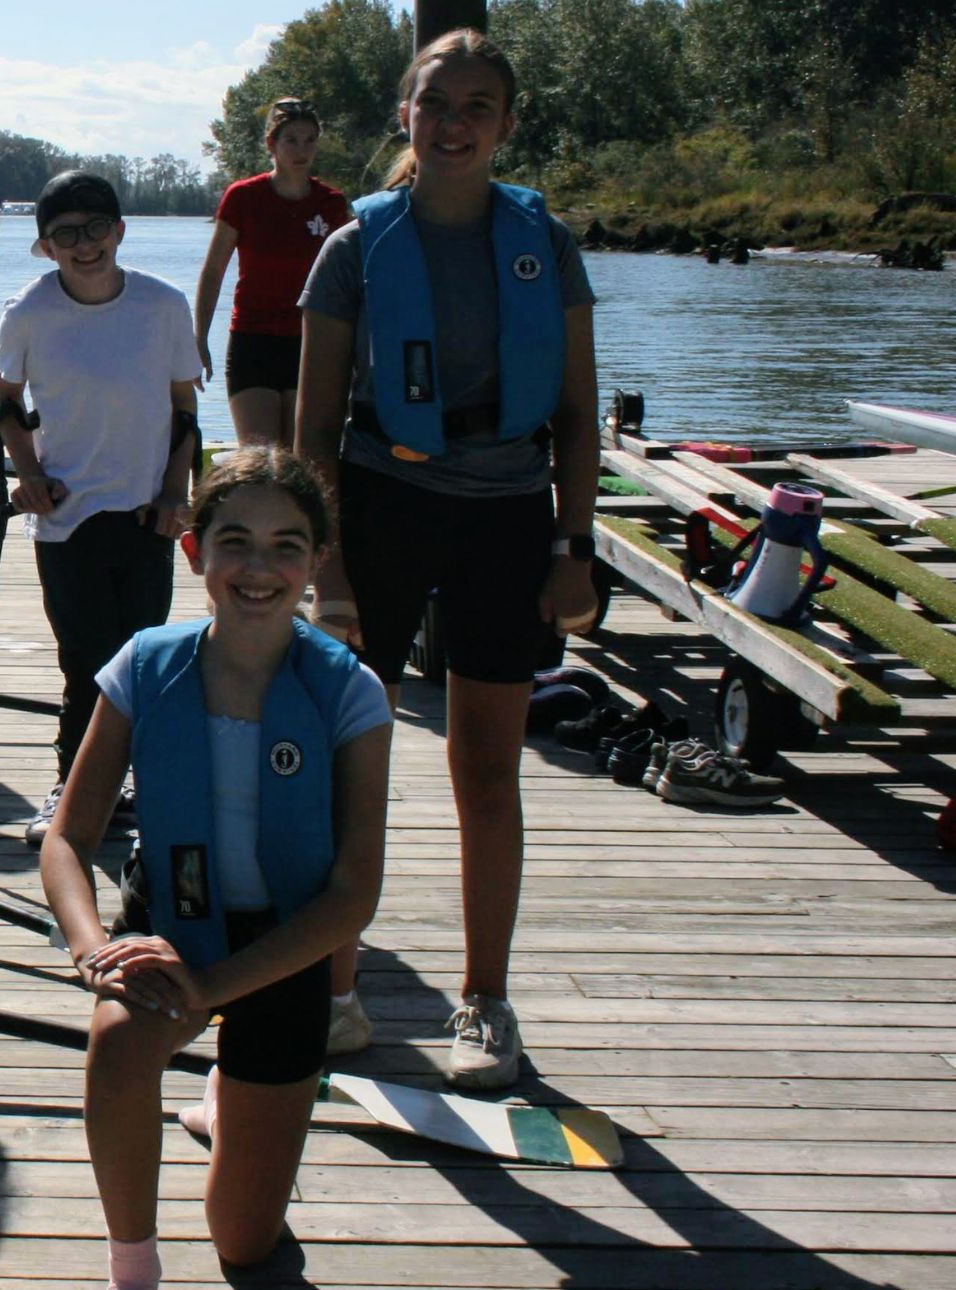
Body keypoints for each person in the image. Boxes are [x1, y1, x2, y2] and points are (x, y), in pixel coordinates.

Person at [295, 28, 599, 1088]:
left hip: (508, 510)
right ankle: (334, 996)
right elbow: (315, 425)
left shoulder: (543, 241)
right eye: (437, 105)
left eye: (479, 106)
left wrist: (575, 546)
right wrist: (324, 568)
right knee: (354, 761)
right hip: (382, 501)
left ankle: (485, 1001)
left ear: (507, 125)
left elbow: (573, 410)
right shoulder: (355, 245)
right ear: (406, 119)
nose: (456, 124)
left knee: (487, 771)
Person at [40, 448, 390, 1287]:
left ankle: (228, 1103)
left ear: (315, 561)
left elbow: (352, 898)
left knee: (243, 1244)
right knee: (119, 1048)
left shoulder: (351, 694)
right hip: (173, 931)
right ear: (194, 552)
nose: (259, 569)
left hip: (285, 951)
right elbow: (67, 839)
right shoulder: (142, 668)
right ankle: (133, 1262)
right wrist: (94, 950)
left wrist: (216, 992)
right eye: (234, 542)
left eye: (286, 547)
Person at [0, 170, 204, 844]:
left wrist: (178, 493)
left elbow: (185, 411)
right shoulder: (28, 311)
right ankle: (71, 789)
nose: (83, 246)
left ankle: (133, 783)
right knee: (83, 658)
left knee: (140, 655)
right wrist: (28, 476)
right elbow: (4, 405)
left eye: (95, 230)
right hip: (66, 513)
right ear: (46, 247)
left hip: (145, 512)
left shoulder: (164, 305)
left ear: (120, 231)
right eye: (65, 235)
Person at [194, 99, 352, 449]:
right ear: (272, 145)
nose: (302, 150)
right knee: (261, 460)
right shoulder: (244, 197)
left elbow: (349, 280)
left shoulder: (331, 203)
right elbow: (213, 272)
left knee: (304, 459)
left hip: (311, 342)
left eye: (309, 140)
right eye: (291, 140)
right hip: (253, 339)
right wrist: (200, 337)